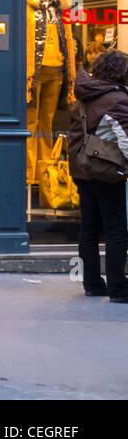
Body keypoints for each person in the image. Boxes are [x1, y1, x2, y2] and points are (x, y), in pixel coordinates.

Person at [68, 50, 128, 302]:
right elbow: (124, 138)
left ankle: (92, 283)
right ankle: (118, 288)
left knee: (90, 227)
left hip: (82, 168)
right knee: (115, 228)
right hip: (105, 169)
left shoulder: (84, 94)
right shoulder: (117, 98)